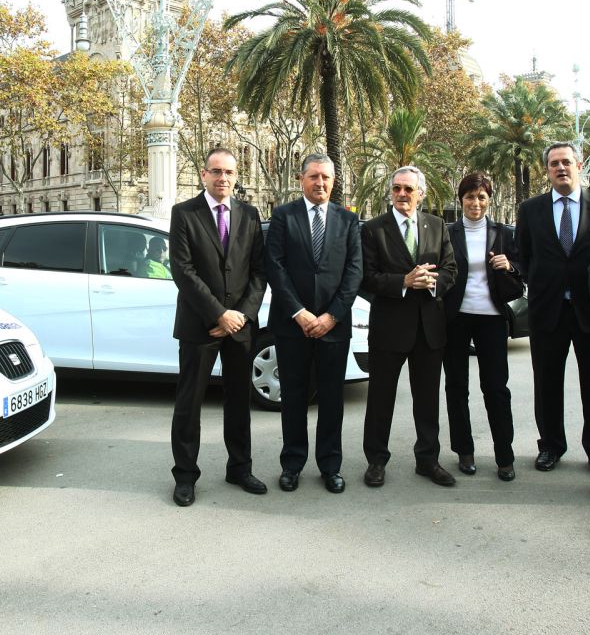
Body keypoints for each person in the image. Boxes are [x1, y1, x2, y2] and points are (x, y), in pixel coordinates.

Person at [168, 148, 268, 507]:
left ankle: (240, 468)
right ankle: (185, 477)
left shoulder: (250, 215)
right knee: (189, 403)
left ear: (236, 175)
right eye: (216, 171)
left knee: (239, 401)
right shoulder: (184, 214)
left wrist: (239, 316)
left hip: (239, 327)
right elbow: (183, 271)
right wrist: (218, 315)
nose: (223, 178)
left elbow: (259, 272)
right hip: (200, 327)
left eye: (228, 172)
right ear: (203, 174)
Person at [516, 142, 590, 473]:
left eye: (566, 162)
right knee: (546, 384)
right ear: (546, 170)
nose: (560, 168)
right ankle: (550, 445)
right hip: (547, 312)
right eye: (553, 164)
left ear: (579, 164)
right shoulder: (530, 209)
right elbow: (524, 255)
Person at [265, 153, 363, 494]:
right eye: (313, 177)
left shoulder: (348, 221)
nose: (320, 183)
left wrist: (331, 315)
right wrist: (300, 313)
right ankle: (292, 464)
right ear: (301, 179)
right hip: (292, 325)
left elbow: (354, 272)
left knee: (333, 400)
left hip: (334, 327)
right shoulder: (282, 216)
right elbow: (274, 267)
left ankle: (330, 466)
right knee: (293, 398)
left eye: (326, 177)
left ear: (333, 181)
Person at [358, 166, 456, 489]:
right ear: (391, 192)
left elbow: (450, 269)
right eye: (397, 188)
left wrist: (432, 281)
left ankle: (427, 460)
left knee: (427, 399)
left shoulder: (438, 226)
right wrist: (404, 281)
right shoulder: (374, 229)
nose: (402, 194)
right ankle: (376, 461)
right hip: (389, 329)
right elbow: (366, 277)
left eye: (408, 190)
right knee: (380, 398)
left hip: (429, 329)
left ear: (421, 194)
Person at [442, 172, 521, 482]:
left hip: (491, 318)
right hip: (456, 317)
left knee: (496, 388)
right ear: (461, 200)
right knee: (456, 386)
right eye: (470, 197)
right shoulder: (447, 232)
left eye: (481, 197)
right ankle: (464, 451)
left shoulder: (503, 233)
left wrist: (509, 266)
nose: (476, 202)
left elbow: (522, 270)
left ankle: (505, 455)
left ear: (490, 199)